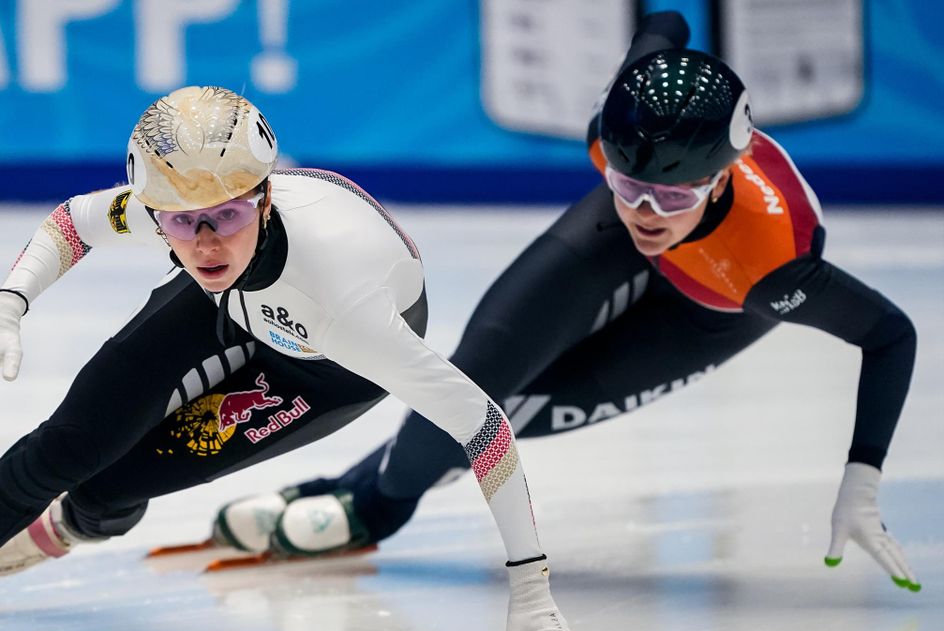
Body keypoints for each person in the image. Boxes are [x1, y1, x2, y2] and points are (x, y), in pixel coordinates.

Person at [0, 86, 611, 631]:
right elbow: (71, 222)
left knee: (114, 483)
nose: (202, 240)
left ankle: (67, 527)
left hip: (323, 359)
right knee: (70, 440)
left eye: (226, 215)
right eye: (177, 220)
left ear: (264, 198)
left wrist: (531, 583)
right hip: (237, 303)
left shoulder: (346, 307)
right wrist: (5, 304)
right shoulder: (192, 222)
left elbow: (483, 426)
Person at [212, 12, 922, 593]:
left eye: (670, 196)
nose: (646, 209)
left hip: (715, 298)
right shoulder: (621, 147)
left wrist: (863, 473)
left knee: (521, 410)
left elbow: (891, 334)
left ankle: (371, 505)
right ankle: (352, 491)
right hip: (606, 238)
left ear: (722, 176)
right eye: (625, 179)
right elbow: (667, 24)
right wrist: (643, 89)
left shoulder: (773, 264)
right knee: (476, 372)